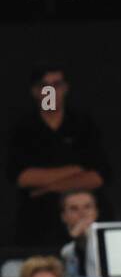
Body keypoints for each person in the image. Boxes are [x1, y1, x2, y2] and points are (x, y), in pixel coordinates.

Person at [6, 64, 111, 251]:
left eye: (56, 85)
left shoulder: (83, 125)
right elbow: (21, 177)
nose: (51, 92)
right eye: (44, 86)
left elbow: (98, 176)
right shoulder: (22, 129)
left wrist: (48, 186)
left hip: (85, 226)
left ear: (65, 88)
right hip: (36, 226)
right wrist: (75, 171)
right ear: (35, 91)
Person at [58, 189, 99, 277]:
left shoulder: (112, 241)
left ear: (96, 213)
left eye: (87, 207)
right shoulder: (60, 247)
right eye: (74, 209)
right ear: (64, 217)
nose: (82, 214)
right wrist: (73, 237)